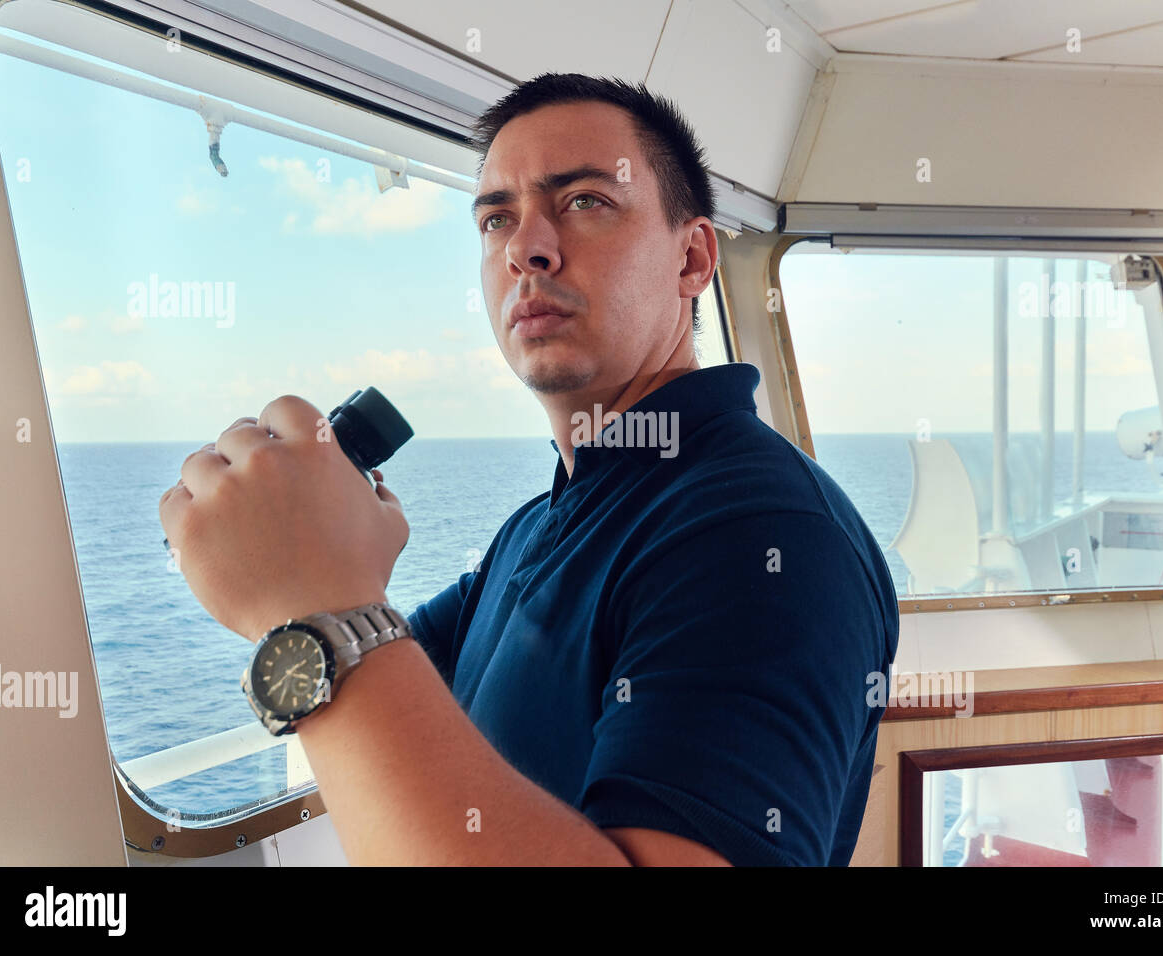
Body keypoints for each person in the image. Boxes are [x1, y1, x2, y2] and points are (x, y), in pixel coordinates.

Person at [159, 72, 899, 866]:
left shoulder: (762, 536)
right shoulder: (539, 528)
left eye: (584, 201)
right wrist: (308, 569)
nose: (525, 248)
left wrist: (314, 605)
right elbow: (384, 680)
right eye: (496, 219)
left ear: (692, 258)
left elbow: (343, 645)